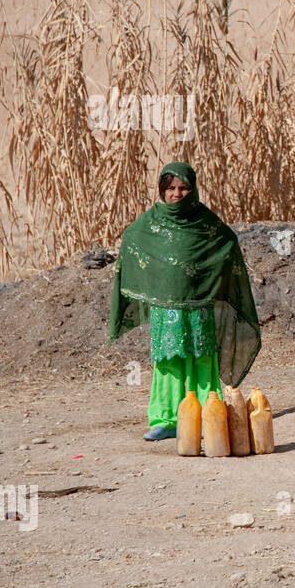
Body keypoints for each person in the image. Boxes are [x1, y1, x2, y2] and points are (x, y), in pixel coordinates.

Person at [108, 162, 262, 441]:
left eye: (183, 188)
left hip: (199, 304)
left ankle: (208, 415)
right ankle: (166, 420)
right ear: (162, 191)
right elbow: (131, 239)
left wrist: (214, 277)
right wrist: (150, 282)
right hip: (166, 309)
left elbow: (227, 241)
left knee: (203, 358)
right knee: (169, 361)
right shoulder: (149, 223)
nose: (177, 194)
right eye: (170, 189)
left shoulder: (206, 222)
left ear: (193, 190)